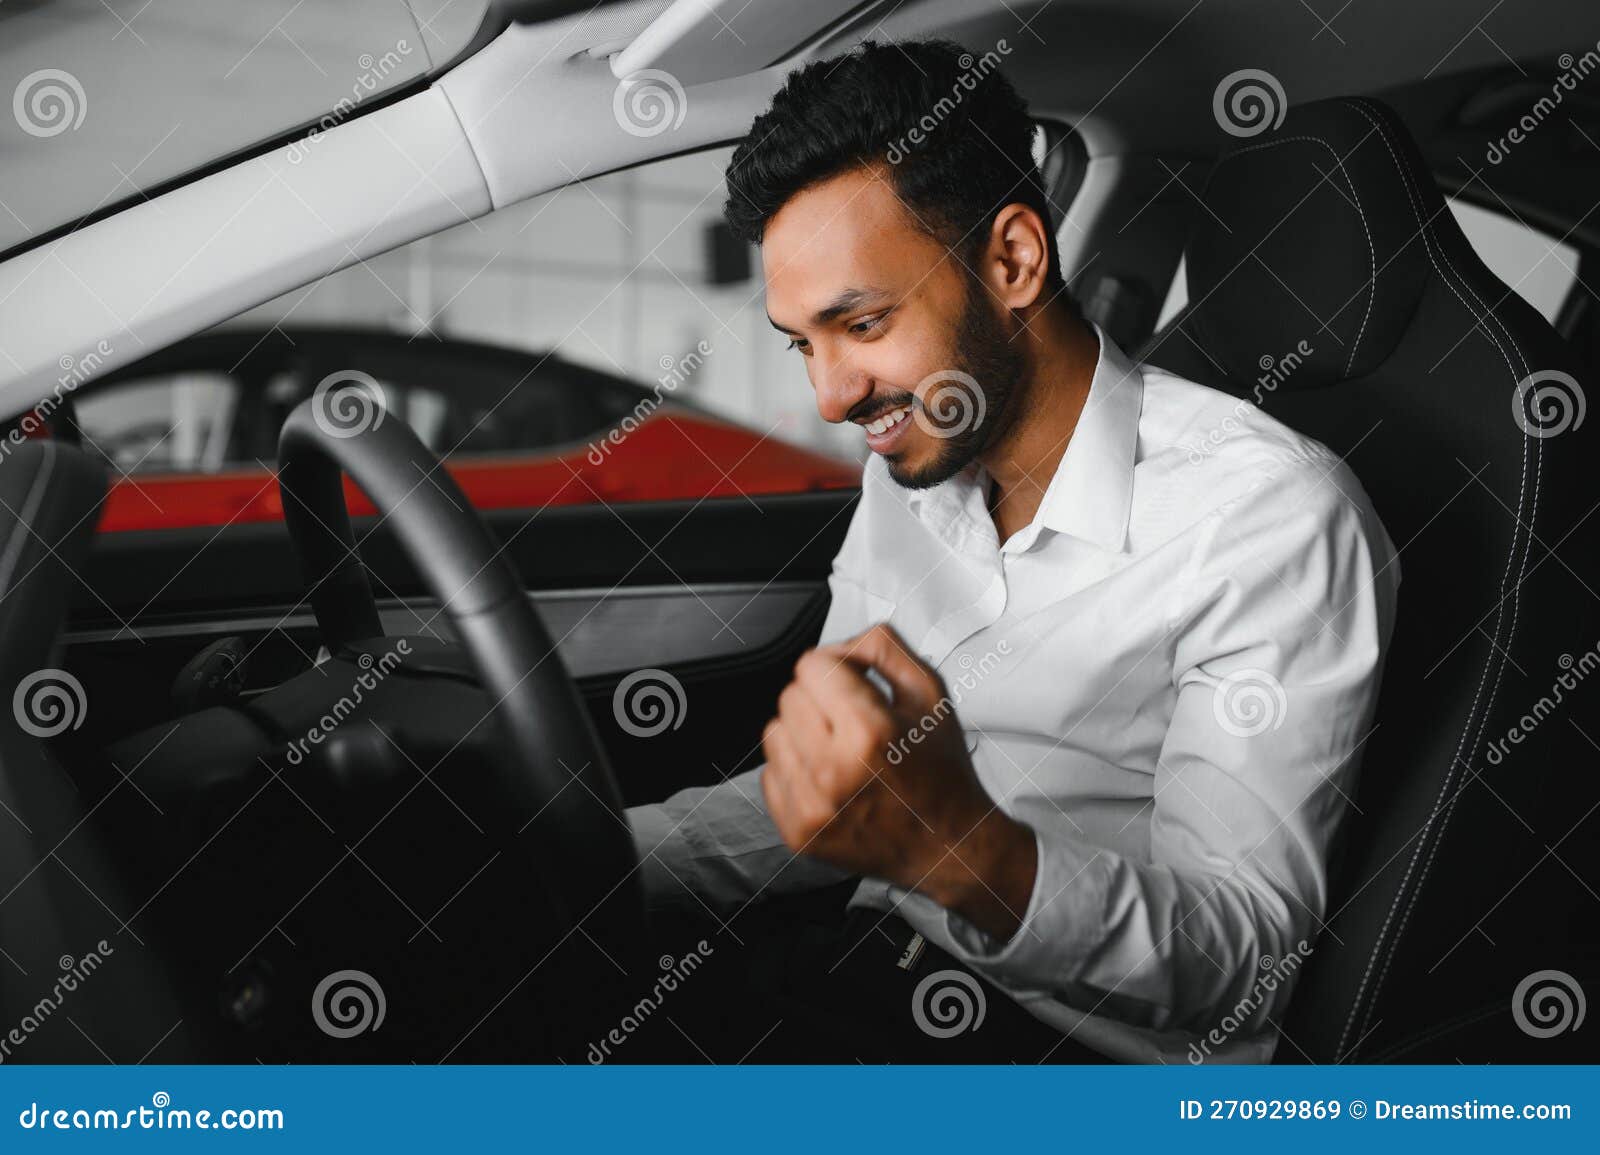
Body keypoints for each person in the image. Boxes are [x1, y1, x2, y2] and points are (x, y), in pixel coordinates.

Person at [626, 39, 1399, 1064]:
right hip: (854, 976)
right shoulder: (909, 461)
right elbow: (840, 803)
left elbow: (1240, 962)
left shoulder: (1265, 517)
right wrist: (589, 853)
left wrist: (960, 851)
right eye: (802, 342)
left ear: (1013, 261)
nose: (829, 395)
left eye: (860, 323)